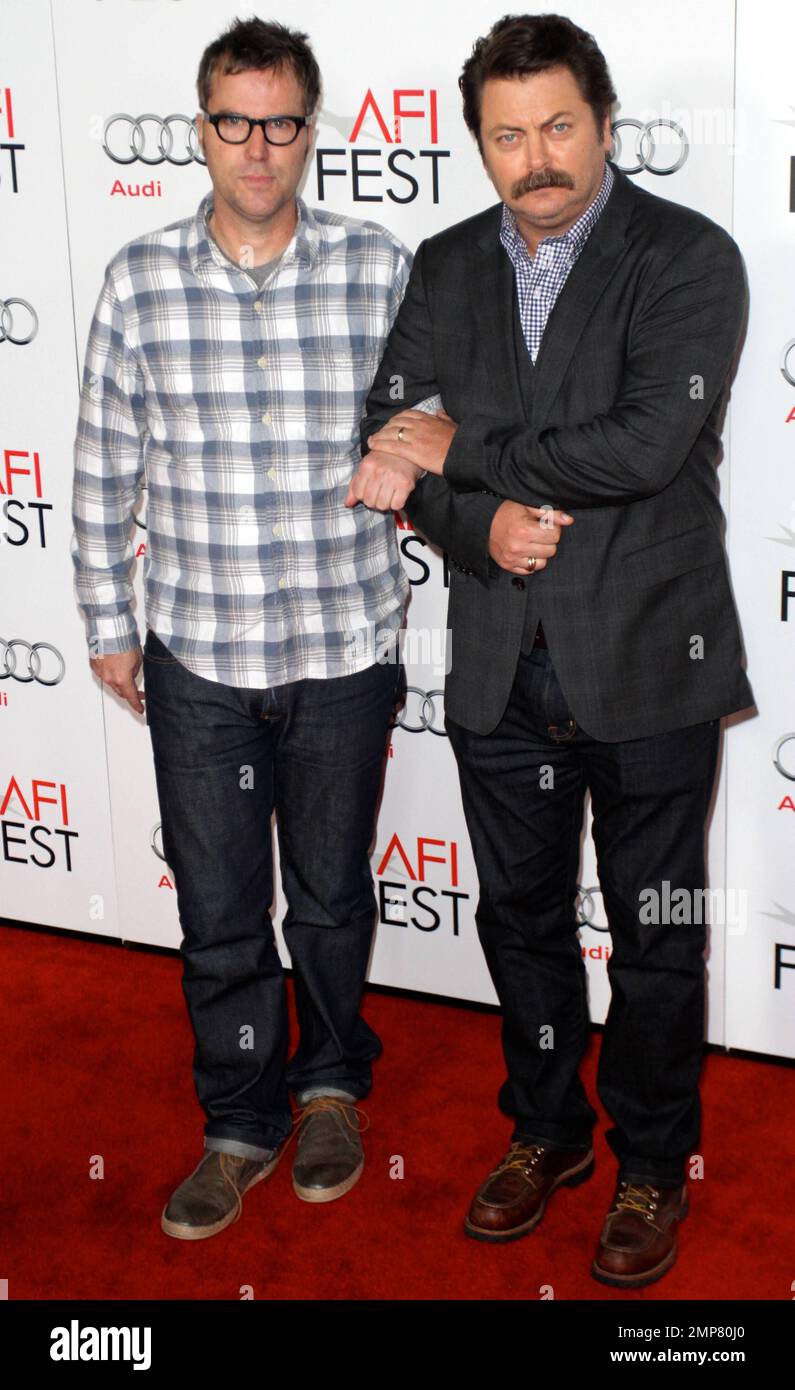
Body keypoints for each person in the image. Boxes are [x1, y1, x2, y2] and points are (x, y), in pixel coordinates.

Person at [350, 12, 754, 1288]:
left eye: (560, 126)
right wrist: (491, 525)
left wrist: (463, 454)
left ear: (606, 121)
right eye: (508, 135)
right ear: (478, 144)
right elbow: (388, 428)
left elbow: (646, 444)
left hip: (649, 656)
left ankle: (650, 1155)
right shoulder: (449, 261)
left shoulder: (688, 256)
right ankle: (547, 1129)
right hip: (498, 660)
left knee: (656, 929)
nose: (538, 158)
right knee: (521, 920)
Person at [71, 17, 414, 1241]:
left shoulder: (381, 266)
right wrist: (110, 623)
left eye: (280, 122)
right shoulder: (138, 278)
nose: (257, 147)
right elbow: (105, 469)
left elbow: (435, 426)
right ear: (202, 130)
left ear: (310, 131)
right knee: (219, 905)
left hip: (345, 646)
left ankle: (329, 1089)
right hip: (201, 656)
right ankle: (239, 1121)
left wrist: (423, 456)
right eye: (234, 120)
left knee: (328, 898)